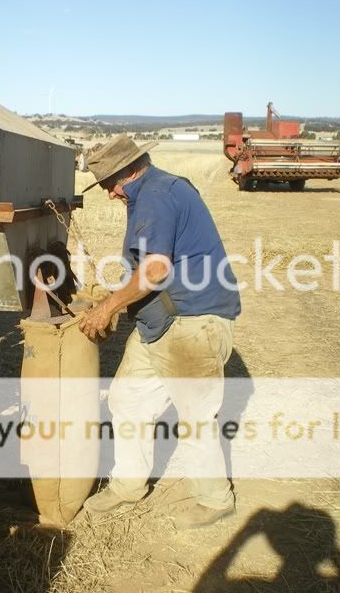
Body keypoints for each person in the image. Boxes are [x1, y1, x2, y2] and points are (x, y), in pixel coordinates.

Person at [78, 134, 242, 529]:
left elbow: (155, 270)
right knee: (127, 400)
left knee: (195, 417)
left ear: (129, 171)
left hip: (191, 323)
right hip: (161, 321)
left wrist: (108, 307)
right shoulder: (155, 189)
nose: (110, 194)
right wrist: (116, 295)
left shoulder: (154, 195)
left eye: (109, 185)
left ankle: (215, 500)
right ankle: (128, 487)